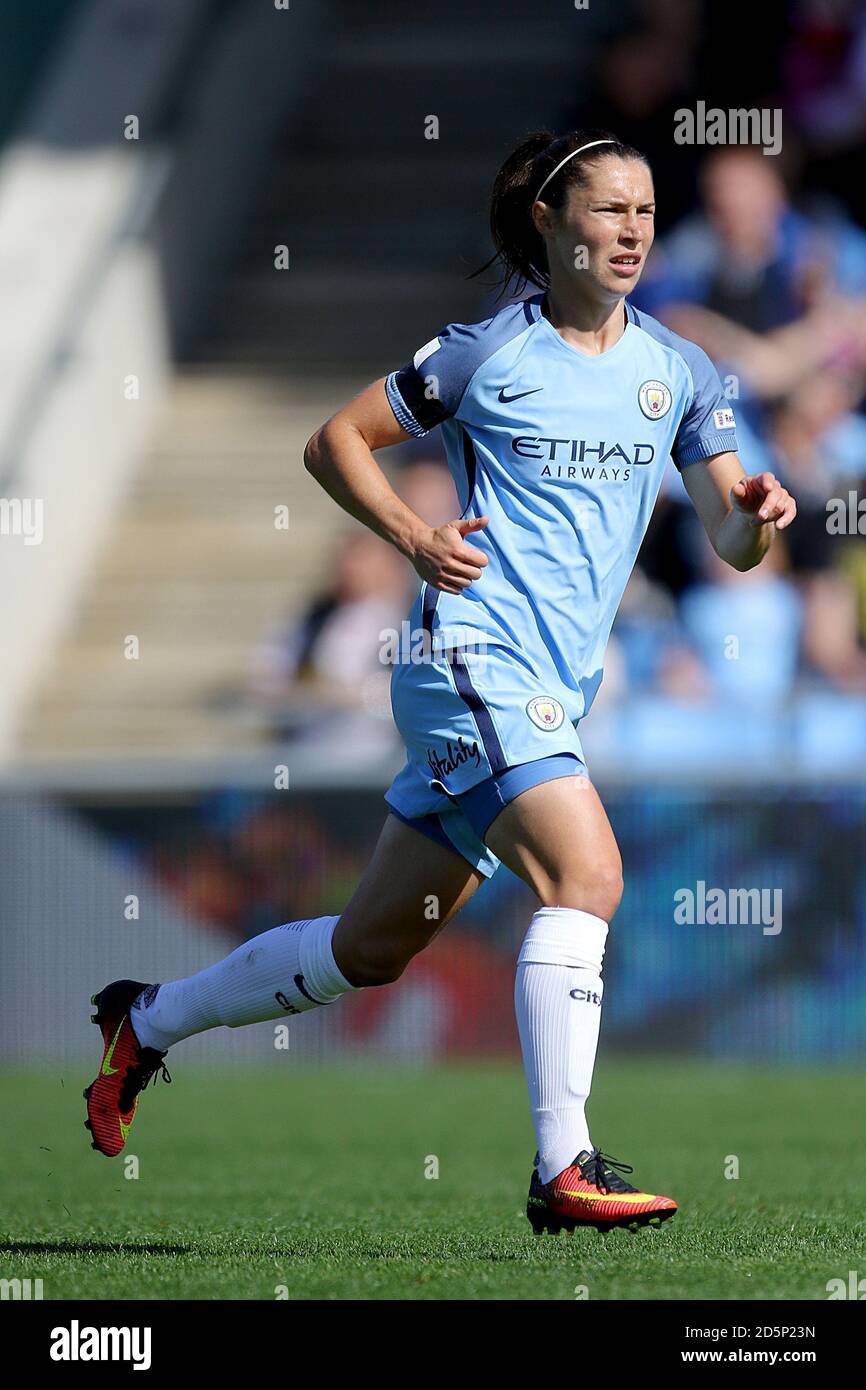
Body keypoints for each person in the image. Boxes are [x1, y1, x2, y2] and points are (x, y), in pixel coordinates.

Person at [84, 129, 796, 1237]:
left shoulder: (681, 371)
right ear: (550, 223)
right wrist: (416, 536)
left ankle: (148, 1022)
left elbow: (724, 532)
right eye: (607, 211)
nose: (630, 233)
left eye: (647, 213)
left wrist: (748, 520)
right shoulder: (484, 354)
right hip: (462, 660)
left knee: (372, 949)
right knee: (587, 873)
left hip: (551, 688)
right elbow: (335, 442)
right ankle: (563, 1167)